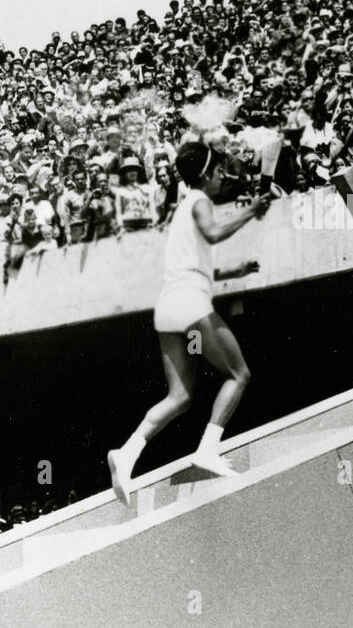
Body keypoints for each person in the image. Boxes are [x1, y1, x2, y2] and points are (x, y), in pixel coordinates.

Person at [107, 142, 271, 502]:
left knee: (179, 396)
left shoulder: (183, 211)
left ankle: (127, 453)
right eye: (217, 171)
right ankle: (208, 449)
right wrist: (251, 211)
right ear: (206, 175)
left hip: (168, 308)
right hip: (189, 304)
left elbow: (197, 264)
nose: (220, 177)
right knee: (238, 374)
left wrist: (236, 270)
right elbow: (213, 234)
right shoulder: (199, 201)